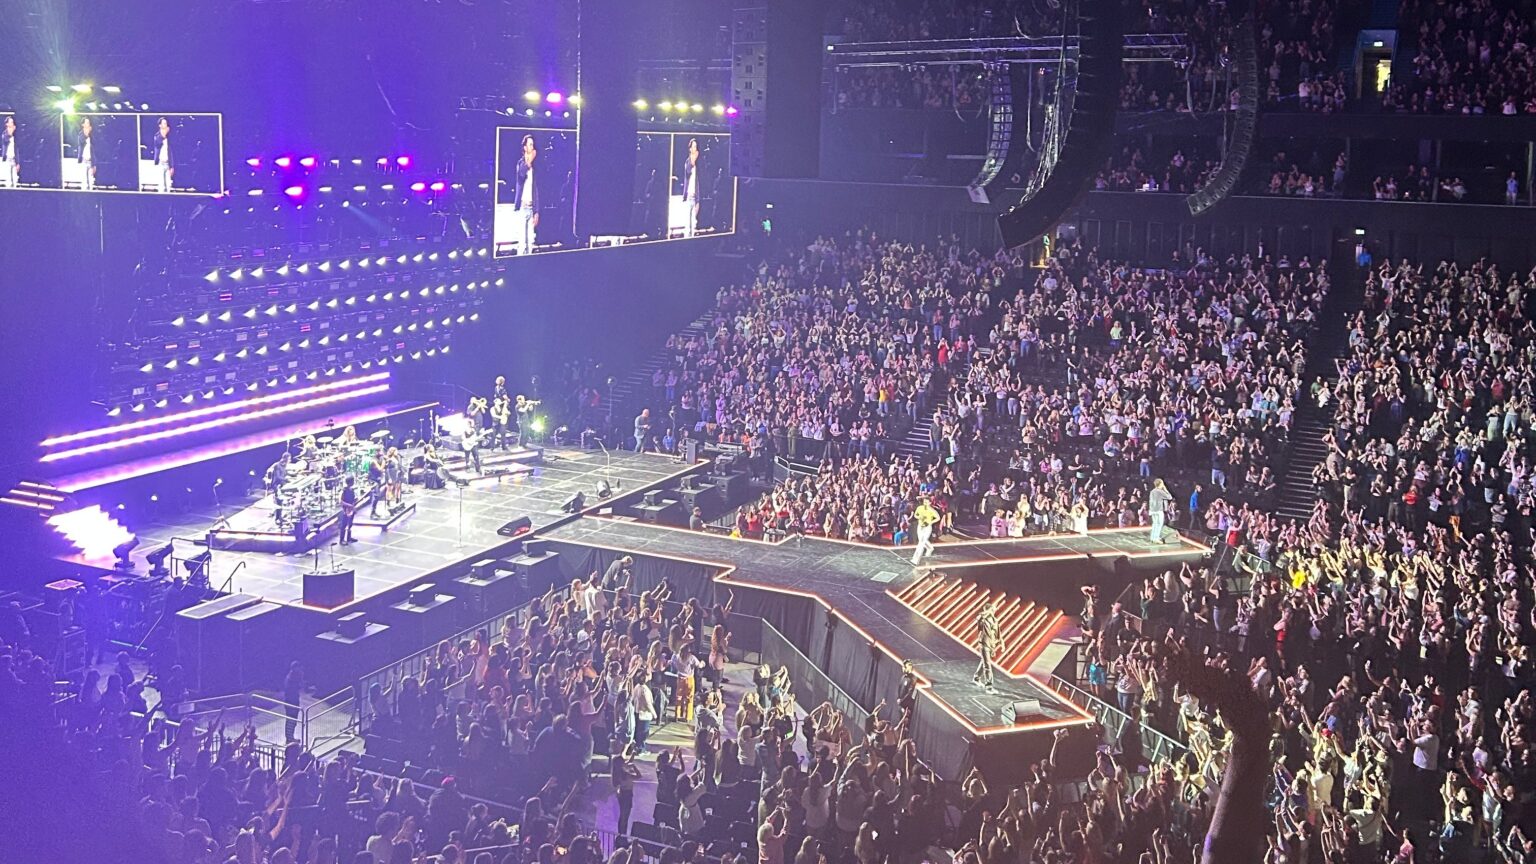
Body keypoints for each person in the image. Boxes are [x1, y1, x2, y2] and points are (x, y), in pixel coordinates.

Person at [513, 134, 539, 254]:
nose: (532, 147)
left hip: (531, 208)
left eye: (533, 144)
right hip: (523, 208)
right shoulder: (520, 163)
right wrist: (530, 159)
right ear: (524, 148)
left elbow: (535, 190)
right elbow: (522, 174)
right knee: (522, 244)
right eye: (530, 144)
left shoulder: (533, 168)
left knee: (530, 243)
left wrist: (537, 211)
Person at [973, 600, 1001, 694]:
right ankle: (989, 686)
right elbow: (979, 619)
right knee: (987, 664)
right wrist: (985, 613)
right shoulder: (983, 619)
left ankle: (976, 677)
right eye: (992, 609)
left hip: (990, 644)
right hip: (984, 643)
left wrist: (995, 646)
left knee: (984, 662)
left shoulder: (995, 620)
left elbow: (996, 635)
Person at [910, 497, 939, 564]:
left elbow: (938, 518)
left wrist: (930, 522)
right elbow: (915, 515)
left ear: (930, 503)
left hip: (927, 527)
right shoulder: (920, 508)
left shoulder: (932, 510)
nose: (925, 503)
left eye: (926, 502)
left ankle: (915, 560)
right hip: (920, 526)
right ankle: (930, 548)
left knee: (921, 543)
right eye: (924, 502)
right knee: (921, 541)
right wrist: (919, 517)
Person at [681, 138, 701, 238]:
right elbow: (688, 170)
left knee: (694, 223)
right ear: (690, 149)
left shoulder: (698, 164)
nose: (695, 149)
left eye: (696, 147)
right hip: (689, 195)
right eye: (693, 147)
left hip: (695, 195)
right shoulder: (688, 161)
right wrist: (694, 156)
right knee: (687, 224)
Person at [149, 116, 173, 192]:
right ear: (160, 125)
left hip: (168, 163)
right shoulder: (157, 136)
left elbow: (171, 152)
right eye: (164, 123)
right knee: (161, 185)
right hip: (160, 163)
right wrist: (164, 134)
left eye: (166, 123)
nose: (165, 125)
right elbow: (158, 143)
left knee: (169, 185)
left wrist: (172, 166)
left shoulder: (170, 137)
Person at [283, 660, 304, 741]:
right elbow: (295, 688)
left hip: (294, 700)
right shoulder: (290, 678)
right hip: (290, 701)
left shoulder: (296, 677)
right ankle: (289, 738)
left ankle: (290, 737)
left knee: (293, 720)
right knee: (290, 720)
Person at [1148, 478, 1173, 543]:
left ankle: (1153, 537)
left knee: (1155, 524)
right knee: (1159, 524)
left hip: (1152, 510)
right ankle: (1156, 538)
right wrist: (1165, 489)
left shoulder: (1152, 491)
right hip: (1158, 510)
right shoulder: (1160, 491)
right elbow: (1170, 497)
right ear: (1161, 484)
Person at [76, 116, 96, 190]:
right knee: (84, 180)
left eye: (89, 122)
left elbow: (94, 148)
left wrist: (94, 164)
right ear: (83, 124)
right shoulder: (81, 134)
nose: (88, 124)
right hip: (84, 159)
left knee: (91, 180)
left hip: (91, 160)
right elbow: (81, 144)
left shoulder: (93, 134)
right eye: (86, 122)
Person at [339, 476, 358, 544]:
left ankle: (349, 538)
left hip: (351, 509)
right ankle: (341, 540)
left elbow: (353, 499)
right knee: (344, 525)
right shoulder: (344, 491)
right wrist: (349, 506)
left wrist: (353, 506)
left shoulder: (352, 490)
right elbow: (341, 501)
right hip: (345, 509)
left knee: (350, 524)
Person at [1, 114, 18, 188]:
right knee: (8, 179)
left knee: (15, 178)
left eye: (12, 122)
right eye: (10, 122)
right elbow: (6, 141)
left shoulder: (15, 136)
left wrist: (18, 162)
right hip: (7, 158)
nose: (12, 124)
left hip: (13, 158)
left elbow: (16, 149)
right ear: (7, 124)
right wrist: (10, 132)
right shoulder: (5, 134)